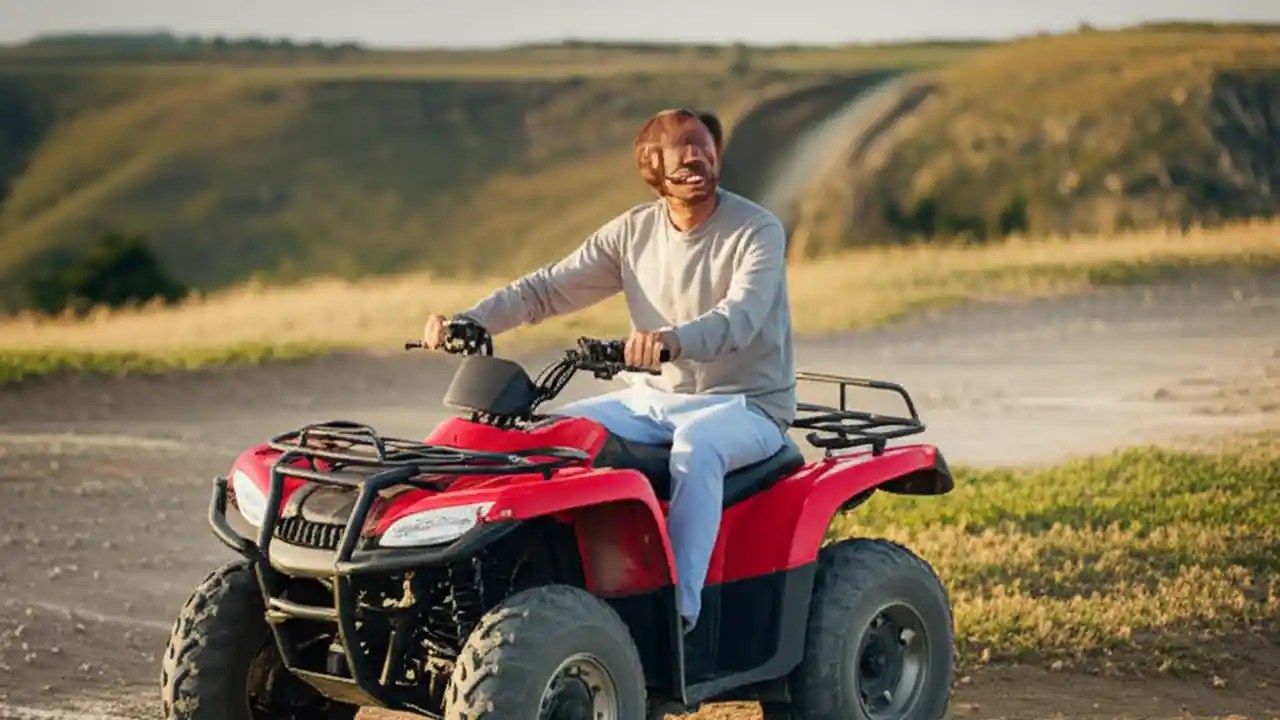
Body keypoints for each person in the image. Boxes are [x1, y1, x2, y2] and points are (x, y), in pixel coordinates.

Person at [421, 107, 795, 632]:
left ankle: (679, 611)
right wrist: (471, 319)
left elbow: (740, 318)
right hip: (651, 400)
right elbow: (546, 289)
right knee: (556, 435)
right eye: (682, 147)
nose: (696, 156)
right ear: (651, 164)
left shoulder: (757, 229)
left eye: (704, 146)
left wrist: (670, 342)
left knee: (699, 448)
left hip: (746, 404)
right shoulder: (632, 232)